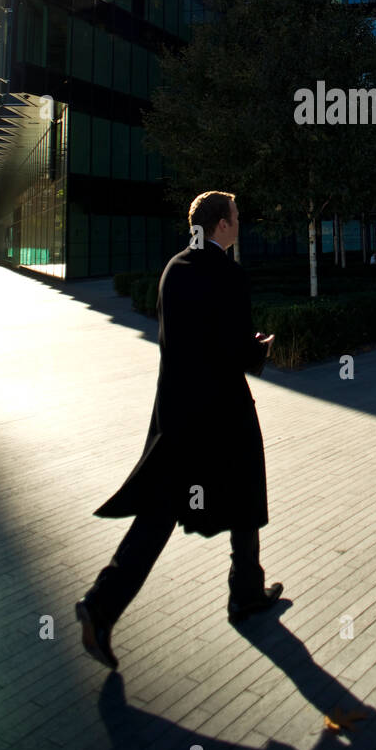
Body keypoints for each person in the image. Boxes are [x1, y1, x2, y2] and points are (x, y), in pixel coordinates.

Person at [76, 190, 282, 670]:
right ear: (222, 226)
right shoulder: (227, 274)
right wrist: (260, 348)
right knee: (246, 489)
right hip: (224, 411)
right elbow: (232, 348)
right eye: (236, 217)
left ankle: (102, 604)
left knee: (161, 510)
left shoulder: (175, 268)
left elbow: (191, 338)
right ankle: (245, 595)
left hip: (178, 413)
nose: (240, 223)